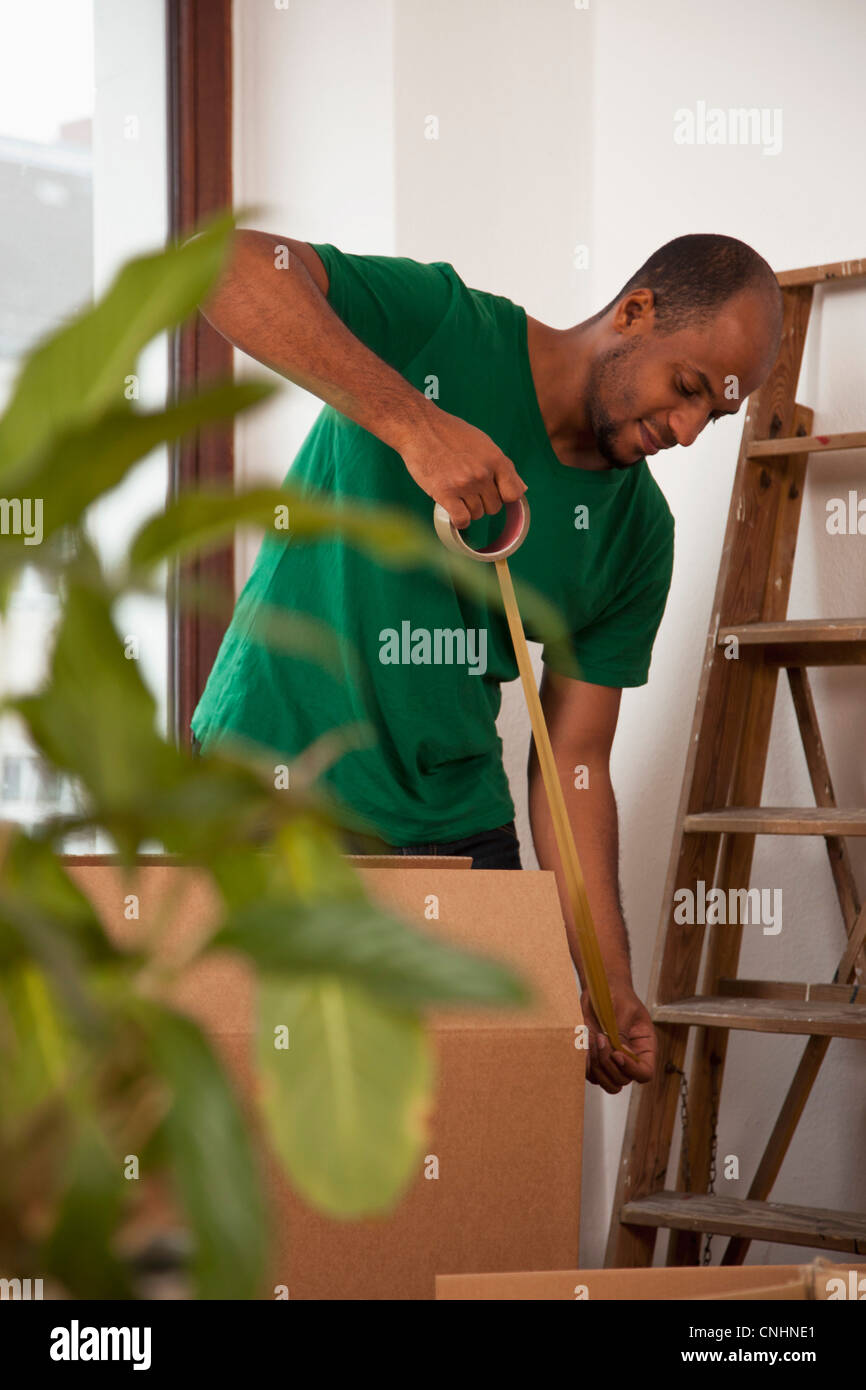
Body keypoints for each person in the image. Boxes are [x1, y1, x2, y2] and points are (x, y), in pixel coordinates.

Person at [190, 230, 784, 1093]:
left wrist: (606, 981)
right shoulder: (442, 326)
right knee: (283, 1132)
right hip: (274, 783)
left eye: (714, 415)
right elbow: (220, 266)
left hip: (455, 822)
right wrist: (415, 425)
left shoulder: (638, 536)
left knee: (481, 1128)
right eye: (687, 388)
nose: (689, 431)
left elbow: (573, 760)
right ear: (634, 312)